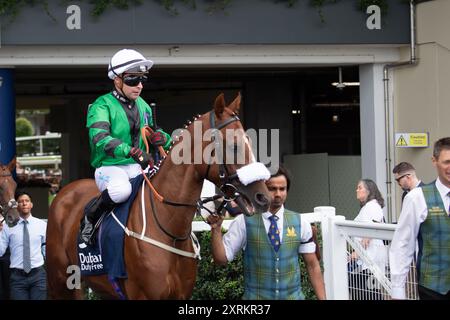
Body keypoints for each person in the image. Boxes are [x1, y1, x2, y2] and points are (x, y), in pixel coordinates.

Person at [81, 48, 172, 243]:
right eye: (133, 80)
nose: (139, 86)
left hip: (138, 167)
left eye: (142, 80)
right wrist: (130, 151)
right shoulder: (101, 105)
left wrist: (163, 138)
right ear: (117, 80)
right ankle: (90, 216)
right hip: (110, 168)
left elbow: (154, 131)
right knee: (122, 191)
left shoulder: (144, 106)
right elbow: (100, 138)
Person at [208, 166, 326, 300]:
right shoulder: (243, 222)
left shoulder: (301, 222)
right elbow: (221, 259)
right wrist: (216, 230)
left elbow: (313, 265)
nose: (278, 194)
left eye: (282, 189)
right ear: (262, 190)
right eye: (272, 189)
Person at [390, 137, 450, 300]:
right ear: (434, 161)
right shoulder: (417, 197)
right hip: (433, 289)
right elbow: (402, 243)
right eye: (447, 162)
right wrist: (397, 289)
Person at [0, 191, 47, 300]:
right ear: (17, 205)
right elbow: (0, 251)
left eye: (27, 201)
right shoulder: (8, 226)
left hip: (38, 275)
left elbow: (46, 249)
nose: (24, 203)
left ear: (31, 205)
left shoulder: (42, 225)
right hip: (17, 278)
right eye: (21, 201)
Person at [348, 179, 387, 300]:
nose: (357, 190)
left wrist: (357, 252)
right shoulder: (367, 207)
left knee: (367, 292)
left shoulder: (373, 206)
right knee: (364, 291)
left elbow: (373, 227)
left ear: (369, 191)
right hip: (365, 257)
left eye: (360, 187)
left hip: (369, 257)